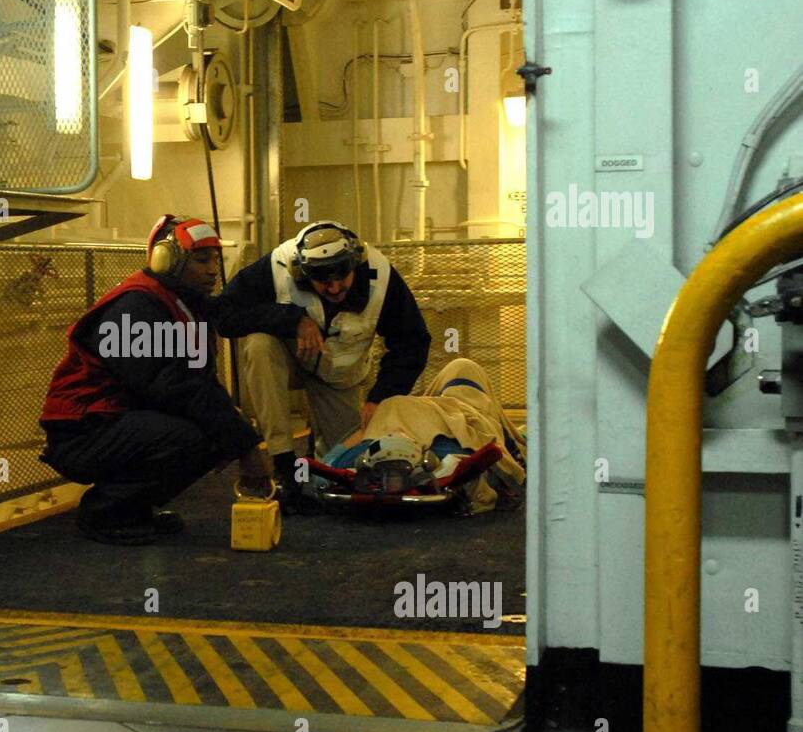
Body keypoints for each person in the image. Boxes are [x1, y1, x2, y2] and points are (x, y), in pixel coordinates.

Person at [39, 215, 276, 545]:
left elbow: (194, 380)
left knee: (221, 429)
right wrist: (247, 445)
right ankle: (105, 513)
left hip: (114, 422)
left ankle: (133, 508)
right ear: (168, 259)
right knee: (194, 435)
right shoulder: (134, 307)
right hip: (82, 432)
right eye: (201, 259)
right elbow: (173, 386)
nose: (213, 270)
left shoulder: (179, 303)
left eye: (215, 260)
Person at [215, 221, 432, 511]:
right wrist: (292, 319)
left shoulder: (382, 277)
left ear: (355, 263)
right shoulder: (279, 265)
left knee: (350, 468)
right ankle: (284, 465)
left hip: (339, 375)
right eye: (322, 281)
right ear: (302, 273)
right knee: (259, 344)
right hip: (291, 360)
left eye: (342, 277)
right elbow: (224, 315)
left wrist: (380, 397)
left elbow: (412, 341)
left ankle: (319, 451)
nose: (334, 288)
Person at [317, 357, 527, 513]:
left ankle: (396, 456)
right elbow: (502, 453)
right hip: (447, 443)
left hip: (402, 434)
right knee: (466, 377)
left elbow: (335, 459)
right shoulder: (477, 414)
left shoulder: (412, 406)